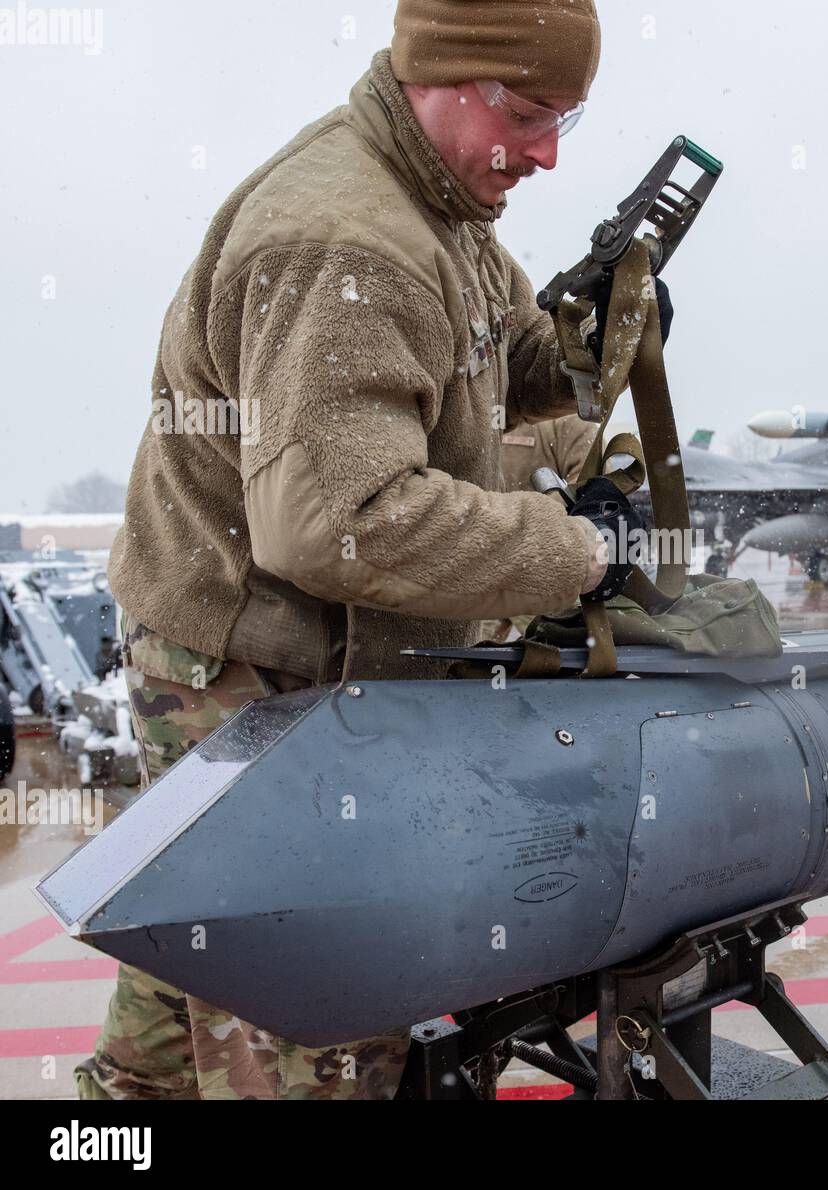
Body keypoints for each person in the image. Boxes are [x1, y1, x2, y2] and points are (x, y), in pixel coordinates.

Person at [78, 0, 655, 1100]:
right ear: (446, 75)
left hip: (269, 658)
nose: (541, 155)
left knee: (174, 981)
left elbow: (498, 359)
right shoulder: (346, 238)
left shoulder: (444, 204)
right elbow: (340, 519)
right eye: (530, 116)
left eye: (563, 124)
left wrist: (599, 334)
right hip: (258, 678)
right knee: (303, 1016)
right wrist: (573, 546)